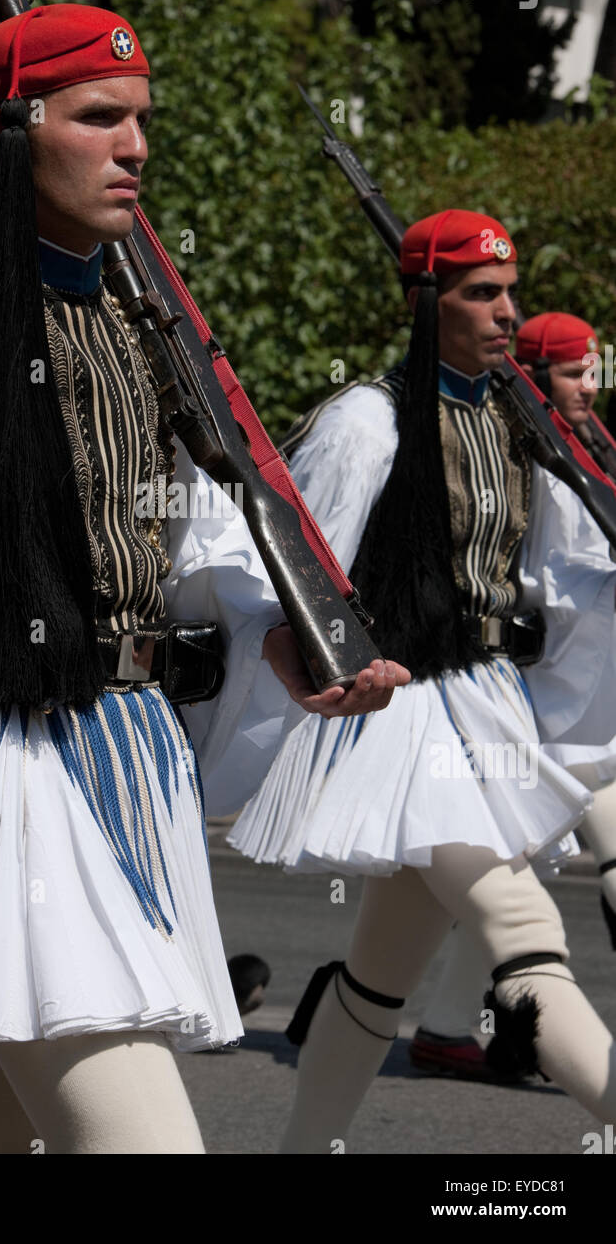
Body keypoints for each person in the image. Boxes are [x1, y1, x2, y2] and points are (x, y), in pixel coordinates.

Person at [0, 4, 404, 1154]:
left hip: (118, 750)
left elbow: (192, 532)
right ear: (4, 135)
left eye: (141, 119)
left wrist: (279, 630)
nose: (135, 145)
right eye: (99, 116)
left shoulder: (136, 319)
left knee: (0, 1135)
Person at [228, 209, 616, 1151]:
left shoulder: (506, 421)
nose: (505, 314)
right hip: (406, 717)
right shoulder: (369, 419)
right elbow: (294, 567)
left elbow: (564, 578)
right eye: (480, 294)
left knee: (376, 979)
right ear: (424, 301)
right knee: (526, 936)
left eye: (509, 293)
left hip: (485, 704)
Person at [409, 311, 616, 1078]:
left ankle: (444, 1025)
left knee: (488, 890)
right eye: (572, 372)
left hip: (580, 697)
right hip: (541, 702)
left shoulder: (582, 449)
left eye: (594, 369)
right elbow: (545, 583)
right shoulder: (525, 453)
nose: (589, 385)